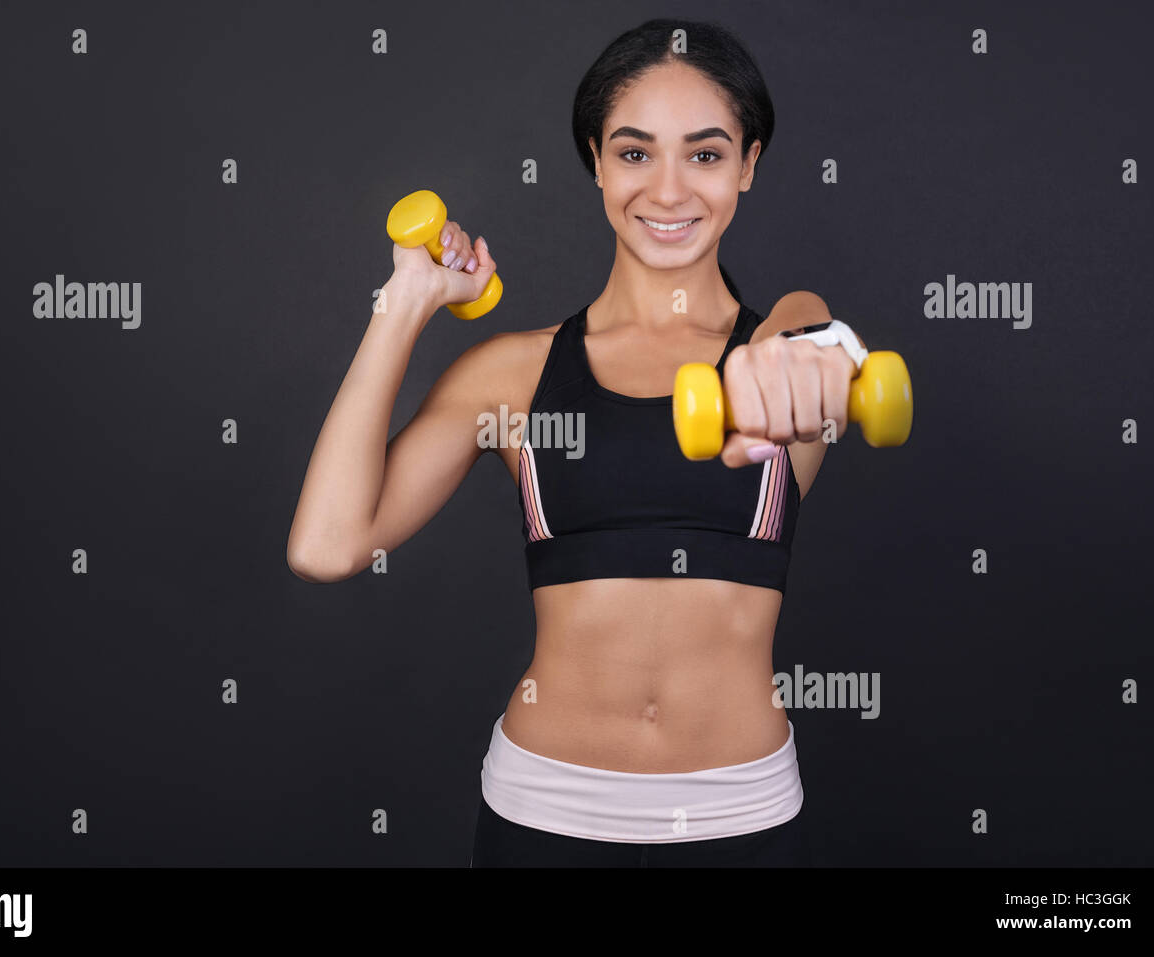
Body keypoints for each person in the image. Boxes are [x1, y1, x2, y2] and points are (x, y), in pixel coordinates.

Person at [287, 18, 862, 867]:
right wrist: (406, 301)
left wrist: (801, 328)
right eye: (634, 153)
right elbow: (328, 545)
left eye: (704, 154)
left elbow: (820, 338)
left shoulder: (782, 367)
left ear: (749, 164)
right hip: (546, 819)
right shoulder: (511, 377)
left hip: (742, 820)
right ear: (595, 161)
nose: (668, 191)